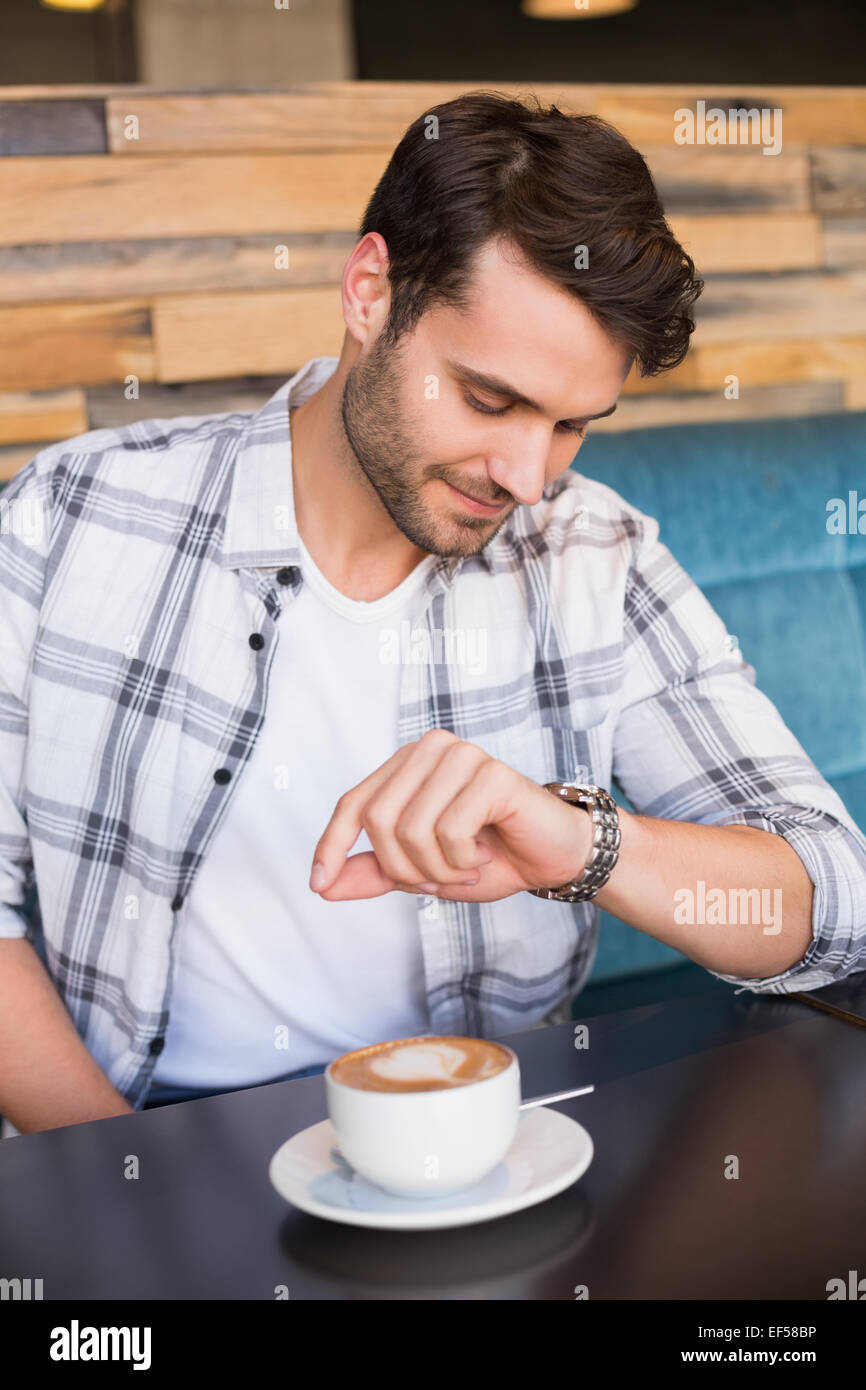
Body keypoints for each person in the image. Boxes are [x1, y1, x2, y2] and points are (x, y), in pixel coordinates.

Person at [1, 91, 864, 1138]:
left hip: (484, 1158)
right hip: (139, 1138)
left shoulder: (594, 557)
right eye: (487, 400)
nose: (526, 478)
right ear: (370, 291)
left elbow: (833, 906)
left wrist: (579, 847)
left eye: (570, 426)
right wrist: (119, 1177)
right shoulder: (72, 515)